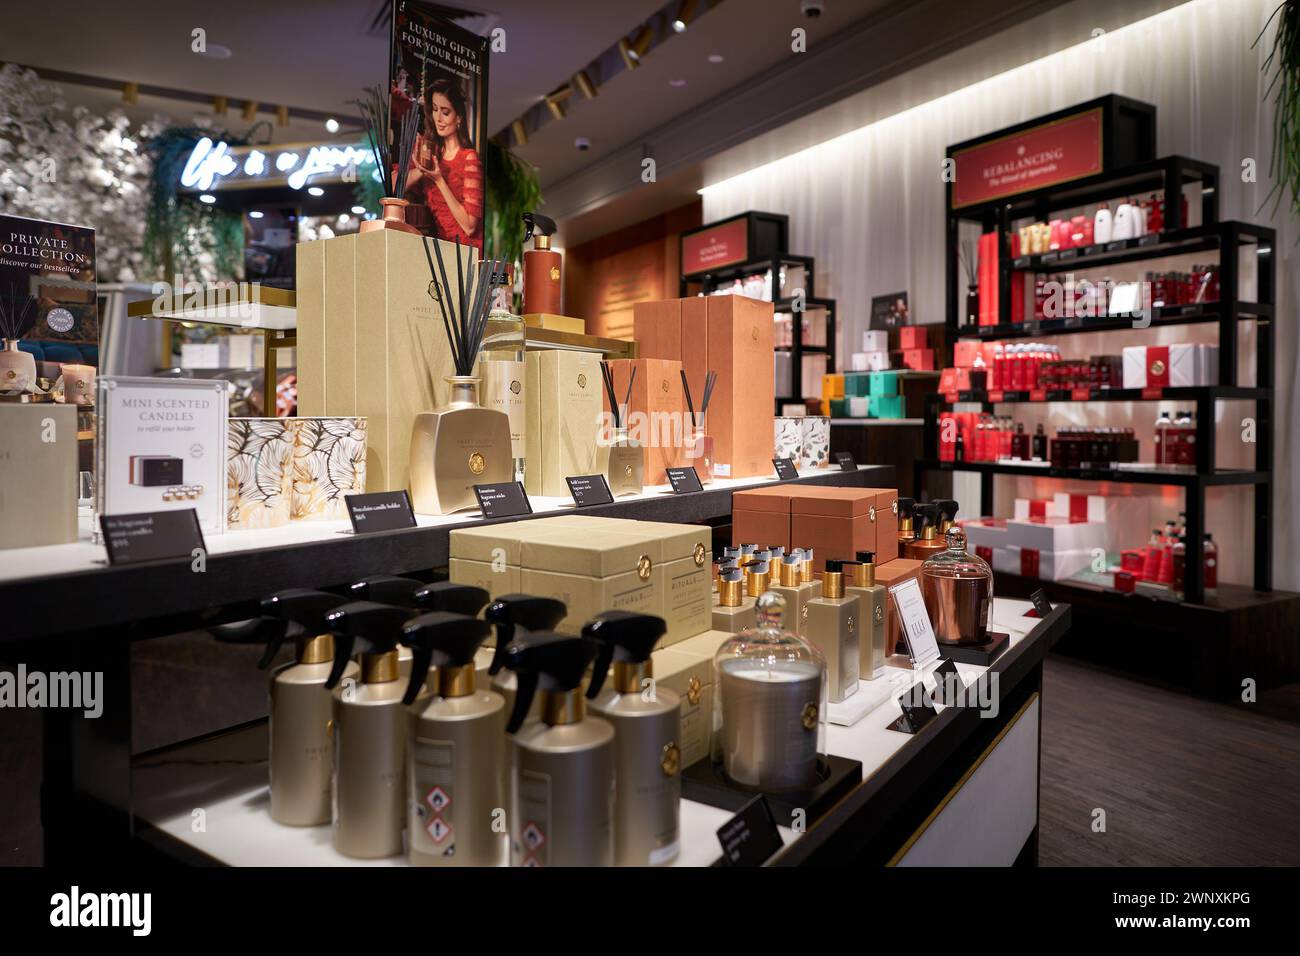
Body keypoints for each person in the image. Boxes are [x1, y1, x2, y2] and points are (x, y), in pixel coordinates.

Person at [406, 77, 482, 250]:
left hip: (467, 252)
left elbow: (470, 226)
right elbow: (396, 188)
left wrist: (439, 180)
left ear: (459, 118)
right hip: (443, 251)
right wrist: (421, 170)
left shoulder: (469, 158)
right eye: (434, 109)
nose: (438, 118)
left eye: (445, 112)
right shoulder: (432, 153)